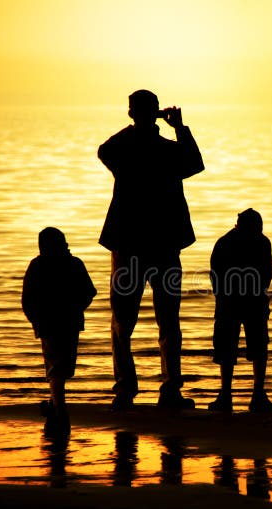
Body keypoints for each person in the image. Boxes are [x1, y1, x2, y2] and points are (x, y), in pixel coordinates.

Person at [98, 89, 204, 410]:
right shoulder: (155, 150)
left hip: (151, 245)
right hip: (146, 245)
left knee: (145, 321)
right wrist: (177, 128)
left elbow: (194, 164)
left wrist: (172, 128)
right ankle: (146, 389)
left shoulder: (150, 148)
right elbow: (104, 151)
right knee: (137, 321)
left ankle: (145, 389)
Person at [22, 227, 97, 432]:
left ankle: (55, 405)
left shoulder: (37, 265)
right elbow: (89, 292)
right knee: (61, 367)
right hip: (68, 322)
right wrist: (77, 308)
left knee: (57, 366)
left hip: (48, 323)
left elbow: (27, 299)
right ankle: (59, 408)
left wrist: (35, 320)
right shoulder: (74, 263)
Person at [209, 209, 272, 413]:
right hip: (235, 301)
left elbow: (266, 274)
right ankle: (232, 395)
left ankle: (251, 395)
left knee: (255, 346)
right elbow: (216, 275)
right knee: (230, 348)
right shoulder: (228, 243)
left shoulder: (258, 242)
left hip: (244, 301)